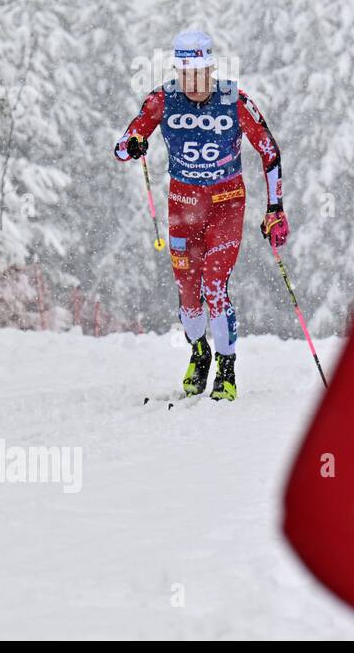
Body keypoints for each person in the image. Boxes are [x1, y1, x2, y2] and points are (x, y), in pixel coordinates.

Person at [114, 30, 288, 401]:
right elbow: (121, 148)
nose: (193, 82)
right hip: (182, 205)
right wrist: (133, 145)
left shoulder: (234, 99)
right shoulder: (162, 99)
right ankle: (199, 353)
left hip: (226, 202)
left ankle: (227, 368)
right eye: (185, 73)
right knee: (189, 295)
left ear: (211, 68)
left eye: (200, 73)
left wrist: (275, 208)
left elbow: (269, 151)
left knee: (214, 284)